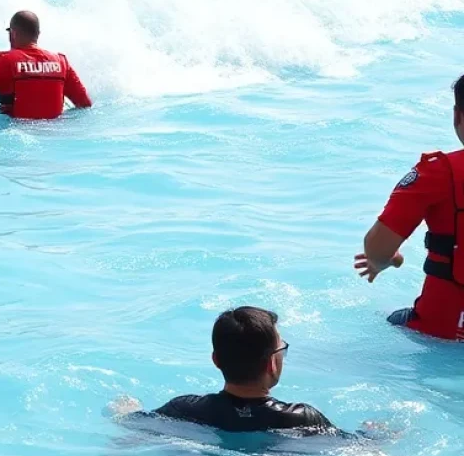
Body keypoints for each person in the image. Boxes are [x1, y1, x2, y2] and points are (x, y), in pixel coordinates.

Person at [356, 74, 464, 340]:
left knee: (386, 322)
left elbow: (378, 249)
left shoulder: (437, 174)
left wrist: (388, 260)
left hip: (445, 331)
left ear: (457, 116)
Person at [143, 307, 337, 434]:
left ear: (216, 360)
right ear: (272, 363)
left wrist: (125, 410)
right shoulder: (302, 419)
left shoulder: (184, 409)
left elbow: (136, 430)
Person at [0, 10, 91, 120]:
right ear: (38, 34)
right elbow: (85, 105)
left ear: (13, 34)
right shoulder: (61, 62)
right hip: (56, 133)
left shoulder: (2, 61)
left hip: (15, 132)